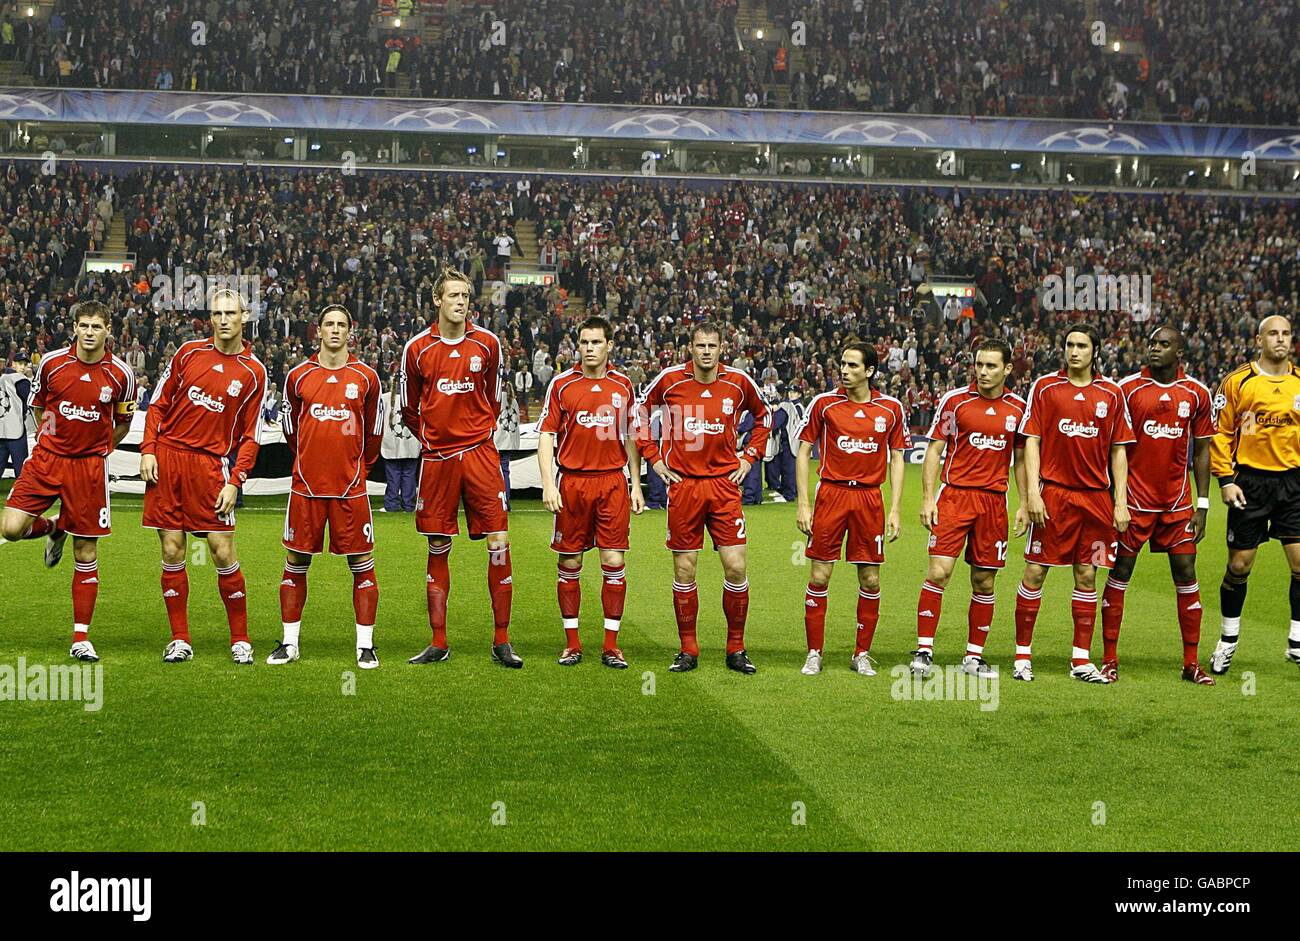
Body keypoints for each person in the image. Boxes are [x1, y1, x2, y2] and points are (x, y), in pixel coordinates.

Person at [0, 302, 135, 662]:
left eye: (97, 326)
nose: (89, 332)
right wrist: (52, 437)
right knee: (11, 528)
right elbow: (39, 405)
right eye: (84, 325)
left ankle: (81, 638)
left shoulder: (121, 374)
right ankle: (53, 528)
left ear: (109, 330)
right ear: (74, 327)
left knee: (86, 552)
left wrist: (101, 448)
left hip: (88, 469)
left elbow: (122, 422)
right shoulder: (52, 363)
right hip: (46, 460)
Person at [140, 288, 268, 665]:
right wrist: (148, 449)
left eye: (231, 312)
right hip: (167, 459)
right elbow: (158, 403)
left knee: (222, 549)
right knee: (172, 549)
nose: (223, 319)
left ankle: (240, 640)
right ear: (209, 318)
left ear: (245, 318)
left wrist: (235, 480)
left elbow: (251, 435)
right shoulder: (187, 353)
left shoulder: (254, 372)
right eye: (217, 313)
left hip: (211, 466)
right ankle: (180, 639)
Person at [400, 268, 520, 668]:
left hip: (481, 455)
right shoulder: (417, 349)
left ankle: (501, 640)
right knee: (437, 545)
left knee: (499, 542)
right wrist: (435, 438)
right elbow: (408, 406)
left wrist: (474, 432)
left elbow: (494, 398)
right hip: (438, 459)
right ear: (437, 299)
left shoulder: (487, 344)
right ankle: (438, 641)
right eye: (453, 295)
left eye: (465, 296)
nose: (461, 302)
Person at [636, 322, 770, 674]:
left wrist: (749, 457)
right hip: (684, 486)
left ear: (722, 347)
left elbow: (764, 416)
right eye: (700, 346)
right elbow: (638, 413)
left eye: (712, 345)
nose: (706, 351)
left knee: (736, 566)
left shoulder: (739, 383)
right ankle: (688, 649)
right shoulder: (670, 380)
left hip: (725, 487)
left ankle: (736, 648)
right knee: (684, 568)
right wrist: (654, 459)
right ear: (690, 348)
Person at [1013, 323, 1135, 684]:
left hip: (1096, 500)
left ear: (1094, 351)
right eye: (1069, 344)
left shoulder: (1111, 393)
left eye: (1082, 345)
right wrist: (1033, 492)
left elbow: (1119, 451)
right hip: (1054, 495)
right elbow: (1031, 440)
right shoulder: (1046, 387)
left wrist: (1120, 501)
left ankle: (1081, 660)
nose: (1074, 351)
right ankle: (1022, 656)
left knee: (1087, 574)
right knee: (1035, 572)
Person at [1102, 325, 1217, 684]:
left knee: (1186, 573)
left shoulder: (1196, 393)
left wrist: (1202, 505)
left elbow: (1201, 450)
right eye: (1152, 343)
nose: (1155, 349)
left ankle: (1191, 663)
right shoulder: (1127, 389)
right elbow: (1113, 449)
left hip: (1177, 502)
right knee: (1120, 573)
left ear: (1179, 353)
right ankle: (1109, 660)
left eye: (1164, 344)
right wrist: (1115, 498)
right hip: (1134, 501)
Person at [271, 305, 384, 668]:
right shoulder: (298, 376)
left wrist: (358, 469)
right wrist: (307, 459)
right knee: (295, 561)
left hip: (350, 487)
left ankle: (364, 645)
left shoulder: (365, 377)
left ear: (351, 332)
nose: (335, 330)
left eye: (341, 325)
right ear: (317, 331)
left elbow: (374, 432)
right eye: (328, 324)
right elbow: (291, 429)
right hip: (306, 487)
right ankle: (290, 643)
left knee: (362, 563)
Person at [915, 337, 1027, 679]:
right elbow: (934, 449)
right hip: (955, 498)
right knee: (939, 572)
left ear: (1007, 369)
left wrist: (1024, 503)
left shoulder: (1019, 408)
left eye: (991, 366)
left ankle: (973, 658)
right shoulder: (956, 401)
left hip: (994, 503)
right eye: (979, 364)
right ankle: (923, 650)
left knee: (984, 581)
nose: (983, 371)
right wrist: (927, 497)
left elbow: (1021, 457)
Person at [536, 316, 643, 669]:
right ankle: (572, 643)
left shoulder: (623, 386)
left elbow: (632, 437)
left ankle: (611, 646)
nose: (589, 348)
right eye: (584, 343)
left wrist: (636, 484)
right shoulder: (562, 384)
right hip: (573, 483)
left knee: (613, 562)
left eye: (596, 342)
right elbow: (547, 434)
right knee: (571, 562)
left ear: (609, 346)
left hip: (612, 483)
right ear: (577, 346)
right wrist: (549, 483)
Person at [796, 342, 907, 676]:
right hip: (831, 495)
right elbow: (803, 451)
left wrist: (895, 508)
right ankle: (814, 652)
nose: (844, 371)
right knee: (819, 574)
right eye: (842, 364)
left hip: (869, 500)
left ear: (870, 371)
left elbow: (898, 457)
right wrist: (804, 504)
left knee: (870, 579)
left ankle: (861, 653)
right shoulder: (824, 404)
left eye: (853, 366)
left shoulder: (890, 409)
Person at [1208, 315, 1300, 674]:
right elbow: (1220, 433)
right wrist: (1225, 480)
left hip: (1293, 484)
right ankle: (1228, 640)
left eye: (1286, 334)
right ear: (1259, 338)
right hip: (1250, 483)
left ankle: (1296, 640)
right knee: (1239, 566)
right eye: (1273, 333)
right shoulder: (1238, 382)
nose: (1280, 339)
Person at [381, 379, 419, 511]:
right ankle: (408, 505)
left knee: (393, 475)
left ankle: (391, 505)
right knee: (409, 475)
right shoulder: (416, 397)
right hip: (412, 444)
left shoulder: (384, 398)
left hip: (391, 445)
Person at [764, 385, 801, 502]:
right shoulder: (790, 405)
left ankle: (789, 494)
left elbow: (776, 424)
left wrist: (766, 430)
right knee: (788, 468)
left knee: (788, 469)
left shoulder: (784, 406)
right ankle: (789, 491)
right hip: (792, 440)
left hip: (788, 441)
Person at [0, 362, 32, 479]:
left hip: (2, 429)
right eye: (20, 364)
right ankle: (24, 493)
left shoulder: (2, 378)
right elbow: (31, 400)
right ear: (13, 364)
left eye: (25, 364)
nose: (22, 367)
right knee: (21, 468)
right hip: (15, 430)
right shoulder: (21, 381)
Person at [495, 382, 520, 508]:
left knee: (494, 472)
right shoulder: (514, 402)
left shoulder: (498, 400)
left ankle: (498, 500)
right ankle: (506, 501)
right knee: (505, 471)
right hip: (509, 442)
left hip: (498, 441)